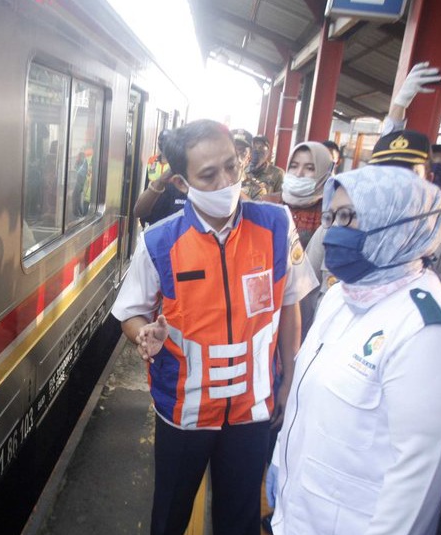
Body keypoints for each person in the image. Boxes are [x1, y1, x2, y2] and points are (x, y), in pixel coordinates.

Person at [111, 119, 317, 535]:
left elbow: (290, 302)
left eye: (231, 166)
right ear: (182, 183)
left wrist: (289, 380)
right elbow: (130, 313)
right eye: (208, 175)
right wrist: (142, 334)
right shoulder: (159, 242)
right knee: (170, 517)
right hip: (184, 411)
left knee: (239, 520)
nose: (226, 182)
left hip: (252, 409)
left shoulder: (276, 225)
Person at [267, 165, 441, 535]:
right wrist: (279, 461)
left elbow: (415, 486)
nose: (334, 230)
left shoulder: (430, 334)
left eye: (349, 216)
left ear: (399, 224)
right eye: (333, 216)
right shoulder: (341, 297)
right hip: (300, 513)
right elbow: (306, 399)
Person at [306, 130, 441, 312]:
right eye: (382, 173)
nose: (392, 182)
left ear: (429, 179)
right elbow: (307, 294)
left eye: (406, 173)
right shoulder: (336, 226)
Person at [263, 142, 334, 249]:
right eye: (294, 166)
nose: (299, 173)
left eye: (310, 168)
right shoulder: (269, 202)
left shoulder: (328, 213)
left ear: (324, 173)